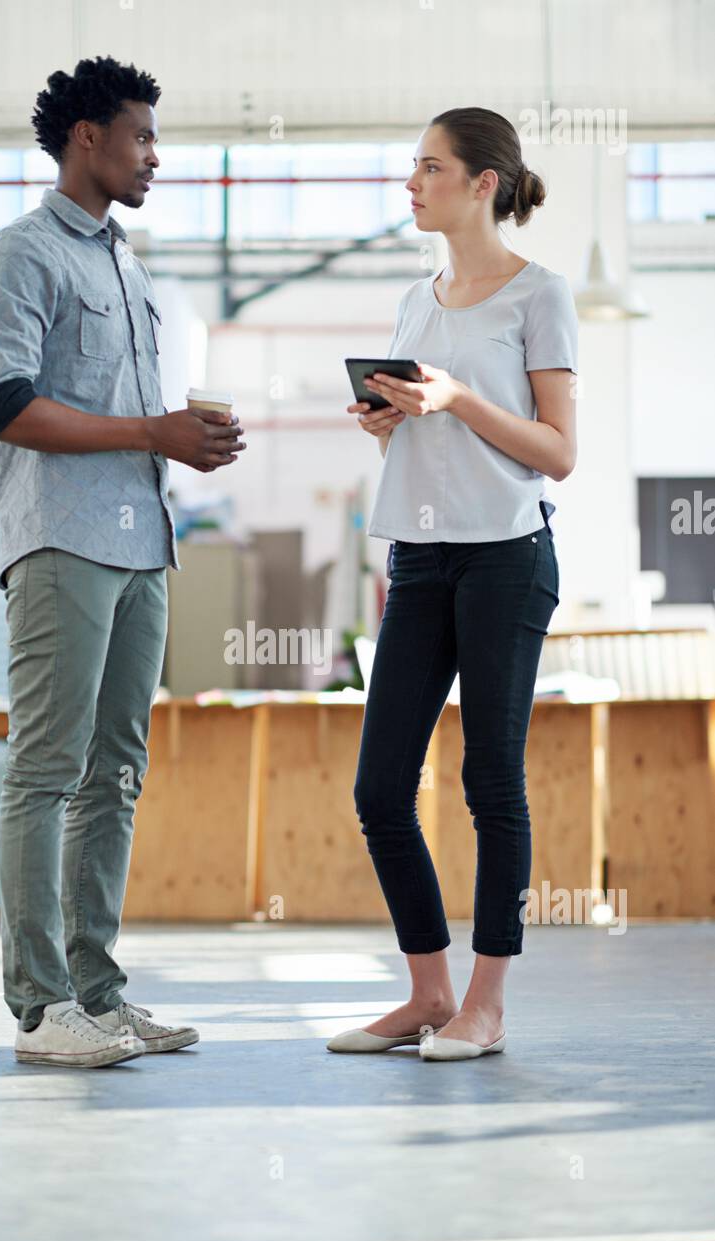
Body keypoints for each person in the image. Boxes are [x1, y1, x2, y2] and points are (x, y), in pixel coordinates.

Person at [0, 56, 245, 1067]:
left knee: (116, 774)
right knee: (47, 767)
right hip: (59, 540)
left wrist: (190, 439)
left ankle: (100, 993)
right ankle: (42, 1010)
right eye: (140, 137)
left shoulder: (129, 269)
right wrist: (150, 432)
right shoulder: (20, 255)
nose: (154, 157)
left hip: (142, 545)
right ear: (87, 138)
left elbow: (147, 420)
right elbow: (11, 408)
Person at [329, 107, 578, 1062]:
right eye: (411, 168)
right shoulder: (415, 299)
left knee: (489, 780)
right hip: (418, 558)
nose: (411, 183)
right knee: (380, 787)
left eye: (429, 168)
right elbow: (426, 422)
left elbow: (558, 453)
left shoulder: (537, 295)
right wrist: (391, 418)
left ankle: (488, 1002)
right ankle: (428, 992)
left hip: (504, 556)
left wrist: (457, 399)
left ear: (483, 183)